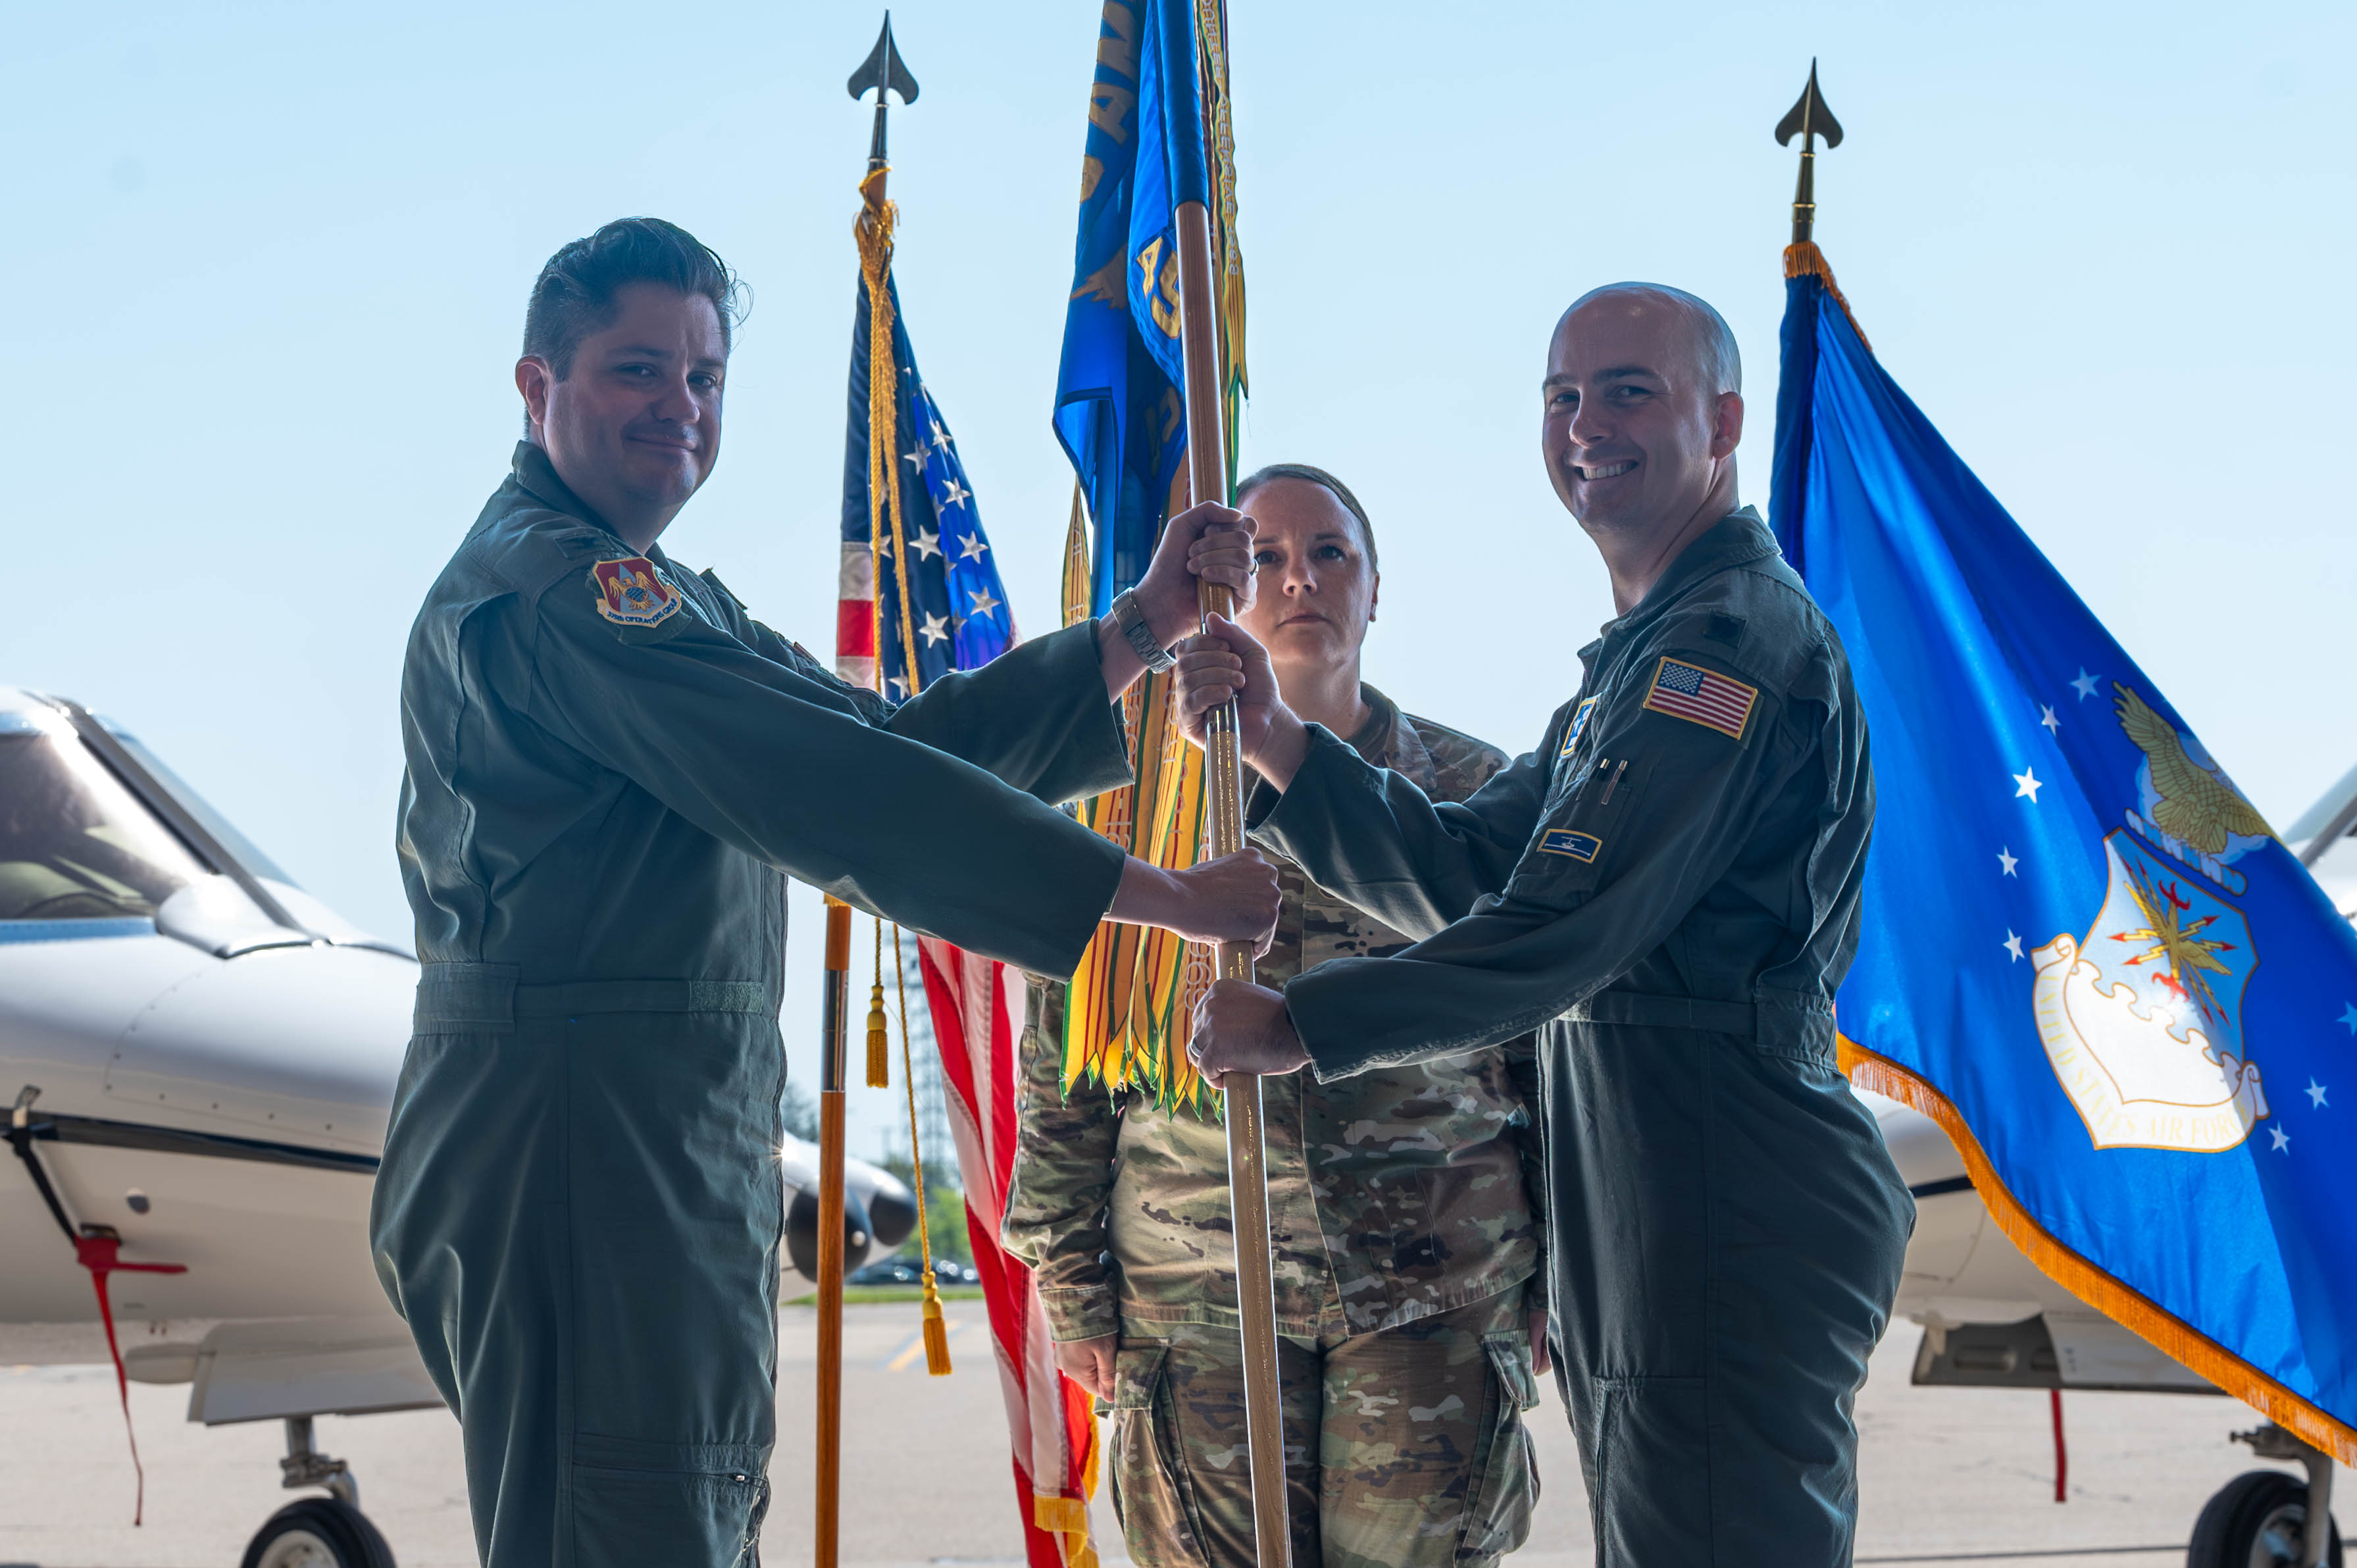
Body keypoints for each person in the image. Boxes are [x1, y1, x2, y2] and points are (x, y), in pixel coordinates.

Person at [370, 217, 1280, 1568]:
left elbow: (886, 749)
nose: (680, 406)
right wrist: (1164, 898)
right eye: (637, 369)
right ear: (536, 384)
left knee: (676, 1511)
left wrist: (1137, 627)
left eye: (704, 377)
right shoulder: (563, 595)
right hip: (583, 1145)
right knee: (627, 1525)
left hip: (647, 1136)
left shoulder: (658, 598)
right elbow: (838, 791)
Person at [1180, 286, 1913, 1565]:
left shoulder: (1725, 650)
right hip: (1649, 1189)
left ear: (1723, 422)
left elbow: (1559, 930)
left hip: (1719, 1188)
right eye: (1562, 396)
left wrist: (1300, 1025)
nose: (1584, 426)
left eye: (1628, 390)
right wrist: (1281, 741)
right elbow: (1469, 868)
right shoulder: (1633, 667)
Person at [1004, 464, 1552, 1568]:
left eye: (1328, 552)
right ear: (1217, 589)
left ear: (1376, 586)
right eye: (1261, 557)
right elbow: (1066, 1070)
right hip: (1197, 1290)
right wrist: (1073, 1287)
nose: (1298, 579)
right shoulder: (1132, 807)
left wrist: (1562, 1271)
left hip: (1435, 1283)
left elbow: (1546, 1053)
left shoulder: (1474, 792)